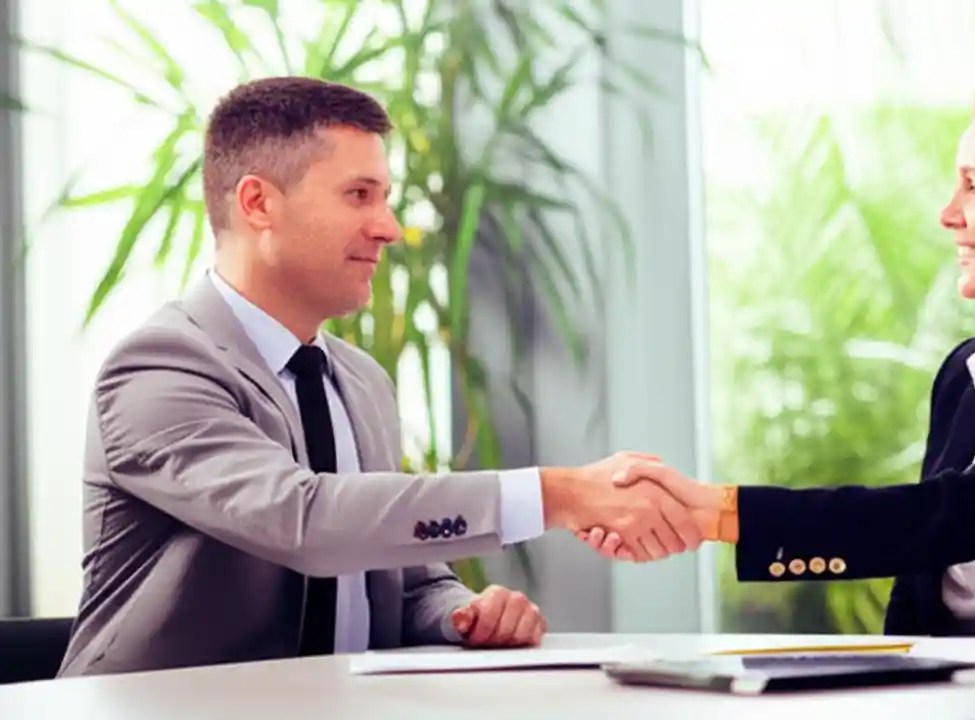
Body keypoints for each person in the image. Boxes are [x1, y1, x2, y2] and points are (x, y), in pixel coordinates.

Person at [58, 77, 700, 677]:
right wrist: (557, 493)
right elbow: (302, 522)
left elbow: (404, 579)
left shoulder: (361, 382)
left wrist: (456, 613)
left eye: (384, 199)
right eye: (359, 195)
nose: (389, 229)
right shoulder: (159, 367)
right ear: (258, 203)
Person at [583, 68, 975, 637]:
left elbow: (953, 516)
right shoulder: (967, 378)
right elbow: (916, 592)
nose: (948, 214)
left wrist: (720, 513)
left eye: (974, 185)